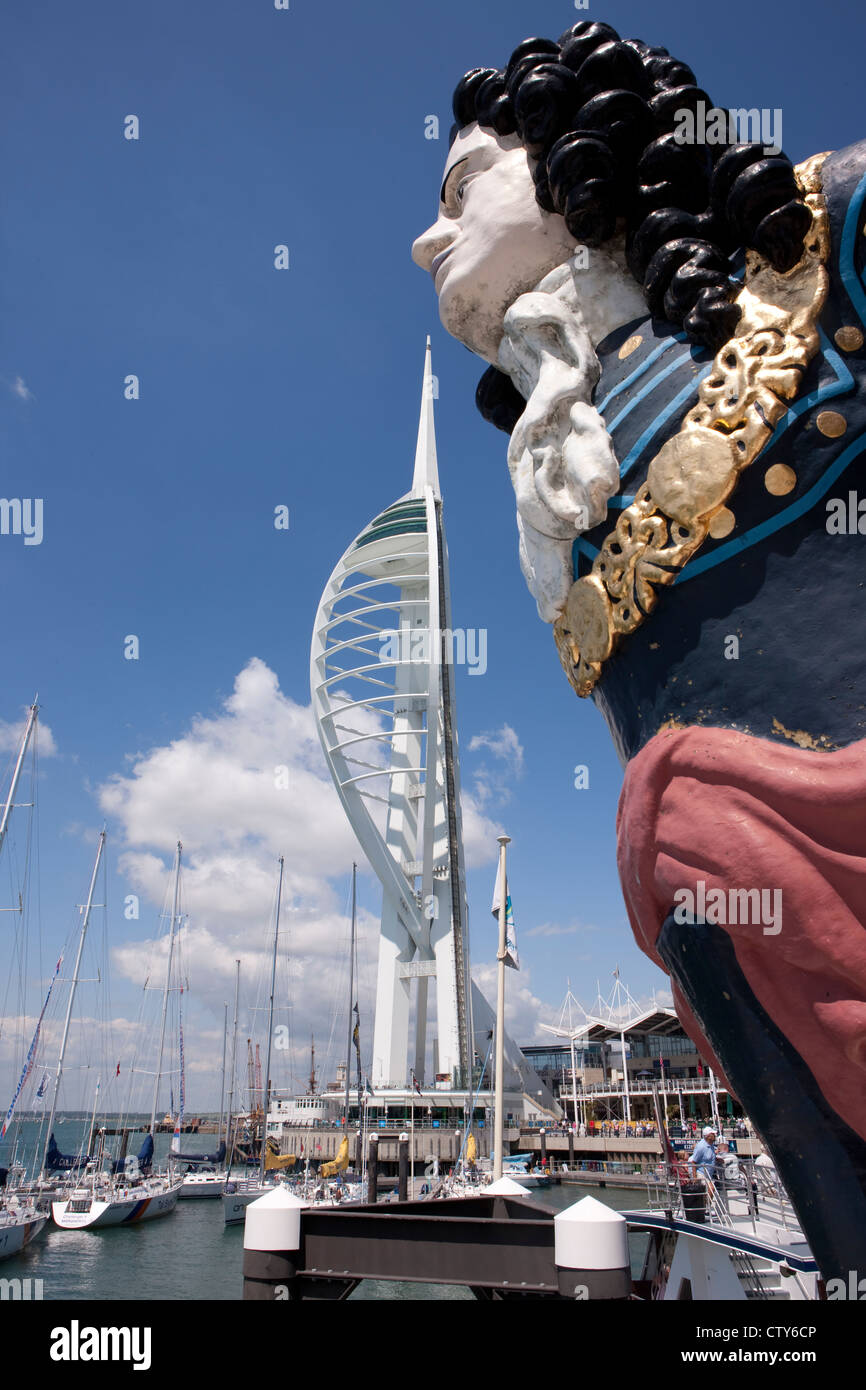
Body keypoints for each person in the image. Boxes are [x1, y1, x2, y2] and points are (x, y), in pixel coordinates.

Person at [411, 16, 866, 1280]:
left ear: (574, 159)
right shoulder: (564, 455)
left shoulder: (815, 260)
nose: (426, 236)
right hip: (738, 944)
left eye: (460, 190)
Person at [688, 1127, 717, 1193]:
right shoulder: (701, 1146)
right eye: (713, 1134)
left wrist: (717, 1159)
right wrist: (695, 1178)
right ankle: (706, 1203)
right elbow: (693, 1162)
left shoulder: (711, 1145)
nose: (715, 1135)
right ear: (708, 1136)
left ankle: (706, 1201)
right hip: (701, 1173)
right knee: (711, 1188)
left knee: (710, 1189)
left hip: (709, 1174)